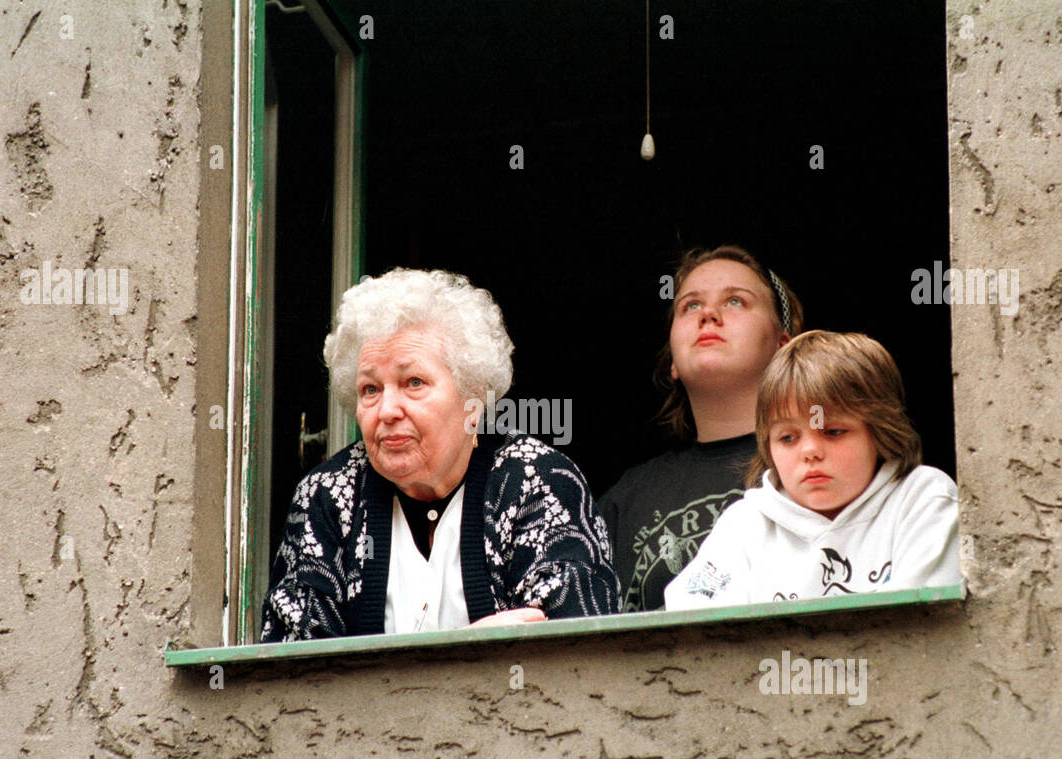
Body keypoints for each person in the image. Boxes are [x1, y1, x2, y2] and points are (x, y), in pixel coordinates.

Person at [261, 268, 620, 641]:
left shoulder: (537, 481)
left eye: (413, 382)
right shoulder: (327, 497)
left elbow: (572, 656)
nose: (386, 410)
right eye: (370, 389)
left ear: (473, 396)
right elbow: (294, 677)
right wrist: (470, 649)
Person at [663, 330, 961, 608]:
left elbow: (919, 634)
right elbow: (695, 636)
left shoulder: (923, 500)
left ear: (881, 434)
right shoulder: (744, 525)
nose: (809, 452)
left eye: (832, 432)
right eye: (788, 438)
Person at [598, 245, 804, 611]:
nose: (708, 314)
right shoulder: (623, 501)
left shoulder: (822, 462)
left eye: (736, 301)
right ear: (673, 362)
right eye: (690, 305)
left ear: (782, 345)